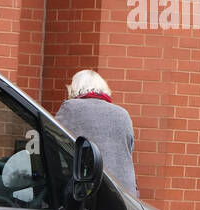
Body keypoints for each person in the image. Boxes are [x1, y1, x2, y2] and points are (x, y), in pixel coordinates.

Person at [55, 69, 138, 198]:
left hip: (89, 191)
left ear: (75, 88)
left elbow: (53, 142)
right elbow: (128, 150)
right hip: (126, 194)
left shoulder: (70, 108)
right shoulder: (123, 114)